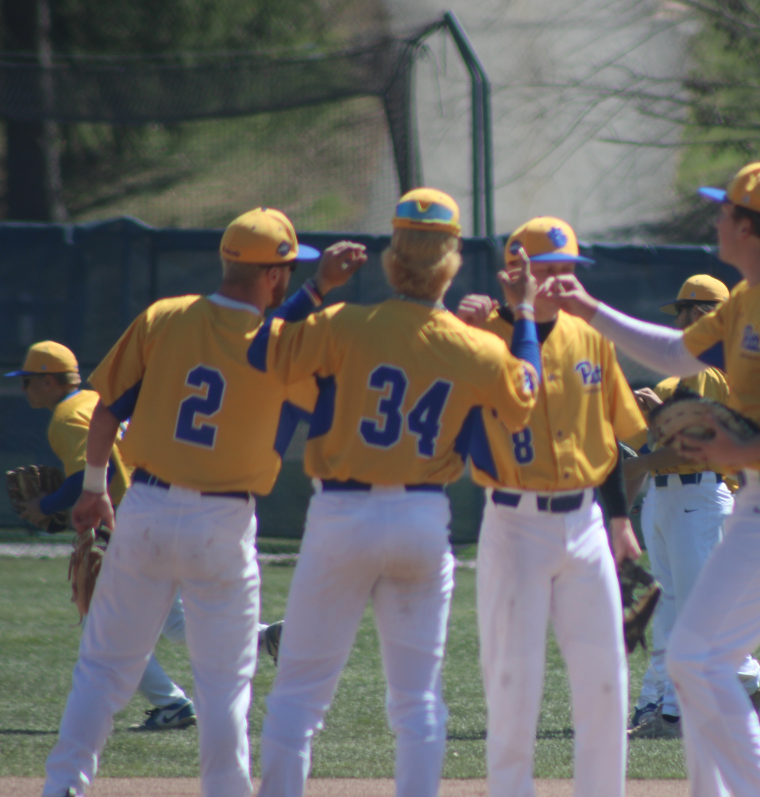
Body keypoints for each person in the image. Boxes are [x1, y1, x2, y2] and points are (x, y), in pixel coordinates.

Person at [548, 162, 760, 797]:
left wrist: (744, 448)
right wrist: (589, 309)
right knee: (696, 662)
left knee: (697, 658)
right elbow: (673, 351)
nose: (716, 219)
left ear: (746, 227)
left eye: (724, 210)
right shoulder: (750, 297)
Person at [43, 207, 366, 797]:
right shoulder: (282, 346)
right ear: (274, 275)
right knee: (224, 686)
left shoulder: (164, 317)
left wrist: (93, 489)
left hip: (146, 505)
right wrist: (322, 291)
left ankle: (63, 784)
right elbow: (304, 385)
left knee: (104, 666)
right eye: (290, 270)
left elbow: (106, 410)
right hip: (223, 521)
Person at [248, 188, 542, 797]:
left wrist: (317, 286)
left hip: (341, 513)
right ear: (452, 264)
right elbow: (525, 401)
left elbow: (260, 352)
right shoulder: (477, 345)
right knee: (417, 700)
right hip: (420, 519)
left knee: (299, 695)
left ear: (391, 259)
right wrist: (524, 315)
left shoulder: (343, 323)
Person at [454, 216, 645, 797]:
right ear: (516, 272)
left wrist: (619, 519)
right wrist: (469, 321)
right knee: (512, 686)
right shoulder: (481, 334)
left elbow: (606, 437)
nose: (562, 280)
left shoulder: (592, 334)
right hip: (515, 524)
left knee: (606, 681)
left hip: (586, 523)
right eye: (549, 269)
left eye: (570, 269)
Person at [9, 340, 209, 732]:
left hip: (131, 523)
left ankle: (171, 704)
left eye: (28, 380)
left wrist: (46, 504)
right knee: (173, 622)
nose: (23, 388)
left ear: (49, 382)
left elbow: (95, 474)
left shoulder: (66, 417)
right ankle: (269, 638)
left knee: (104, 627)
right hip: (164, 510)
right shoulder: (95, 401)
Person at [620, 275, 760, 740]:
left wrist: (650, 432)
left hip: (697, 496)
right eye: (681, 313)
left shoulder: (710, 371)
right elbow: (642, 441)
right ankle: (664, 709)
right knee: (671, 611)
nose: (681, 321)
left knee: (696, 613)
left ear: (709, 315)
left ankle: (750, 680)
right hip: (668, 498)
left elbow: (694, 448)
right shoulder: (681, 374)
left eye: (688, 311)